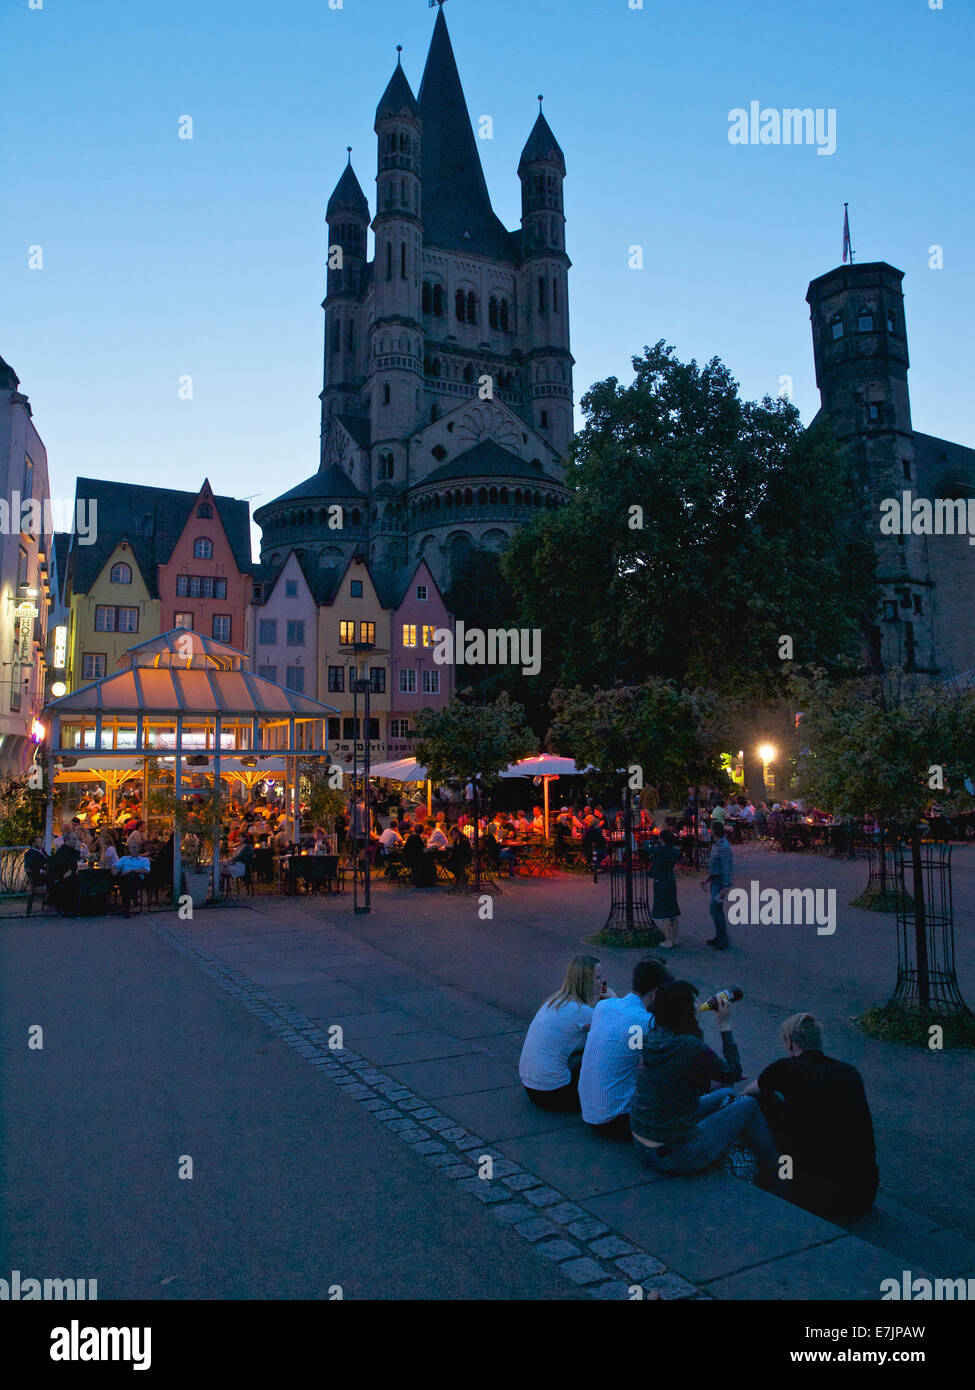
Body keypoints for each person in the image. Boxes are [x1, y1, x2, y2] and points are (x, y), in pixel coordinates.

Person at [630, 980, 779, 1186]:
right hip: (676, 1153)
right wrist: (724, 1025)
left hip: (642, 1142)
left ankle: (739, 1154)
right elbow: (733, 1072)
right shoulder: (691, 1047)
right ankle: (779, 1177)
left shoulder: (651, 1038)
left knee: (727, 1094)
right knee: (750, 1105)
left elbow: (675, 1083)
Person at [742, 1013, 879, 1220]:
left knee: (760, 1103)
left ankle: (771, 1177)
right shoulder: (849, 1072)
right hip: (863, 1194)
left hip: (814, 1198)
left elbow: (747, 1095)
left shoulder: (784, 1068)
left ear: (789, 1042)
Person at [577, 958, 672, 1138]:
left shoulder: (603, 1007)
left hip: (590, 1113)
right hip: (617, 1120)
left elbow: (622, 1018)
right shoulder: (646, 1022)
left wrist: (608, 993)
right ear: (655, 993)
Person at [519, 956, 611, 1112]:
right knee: (603, 1051)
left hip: (531, 1087)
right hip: (555, 1093)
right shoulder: (581, 1012)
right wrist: (612, 999)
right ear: (584, 982)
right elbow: (615, 1029)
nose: (603, 981)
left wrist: (600, 995)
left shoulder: (555, 1002)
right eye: (598, 978)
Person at [703, 821, 733, 950]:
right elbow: (714, 865)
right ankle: (720, 936)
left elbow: (726, 867)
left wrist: (725, 887)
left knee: (715, 910)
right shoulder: (716, 845)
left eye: (711, 829)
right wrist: (708, 879)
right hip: (715, 880)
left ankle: (723, 939)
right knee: (716, 910)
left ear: (715, 831)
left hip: (720, 881)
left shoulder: (723, 847)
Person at [650, 829, 682, 948]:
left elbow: (649, 850)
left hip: (661, 880)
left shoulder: (658, 851)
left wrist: (651, 843)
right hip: (670, 879)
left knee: (664, 913)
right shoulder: (674, 851)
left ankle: (667, 940)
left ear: (662, 839)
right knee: (673, 909)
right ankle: (675, 938)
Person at [112, 850, 151, 918]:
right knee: (126, 879)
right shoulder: (124, 858)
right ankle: (134, 898)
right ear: (129, 849)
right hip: (124, 879)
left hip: (137, 879)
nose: (134, 850)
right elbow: (115, 866)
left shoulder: (144, 859)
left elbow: (146, 870)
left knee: (131, 876)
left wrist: (131, 870)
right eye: (132, 848)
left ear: (139, 848)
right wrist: (114, 869)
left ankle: (126, 908)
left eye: (135, 847)